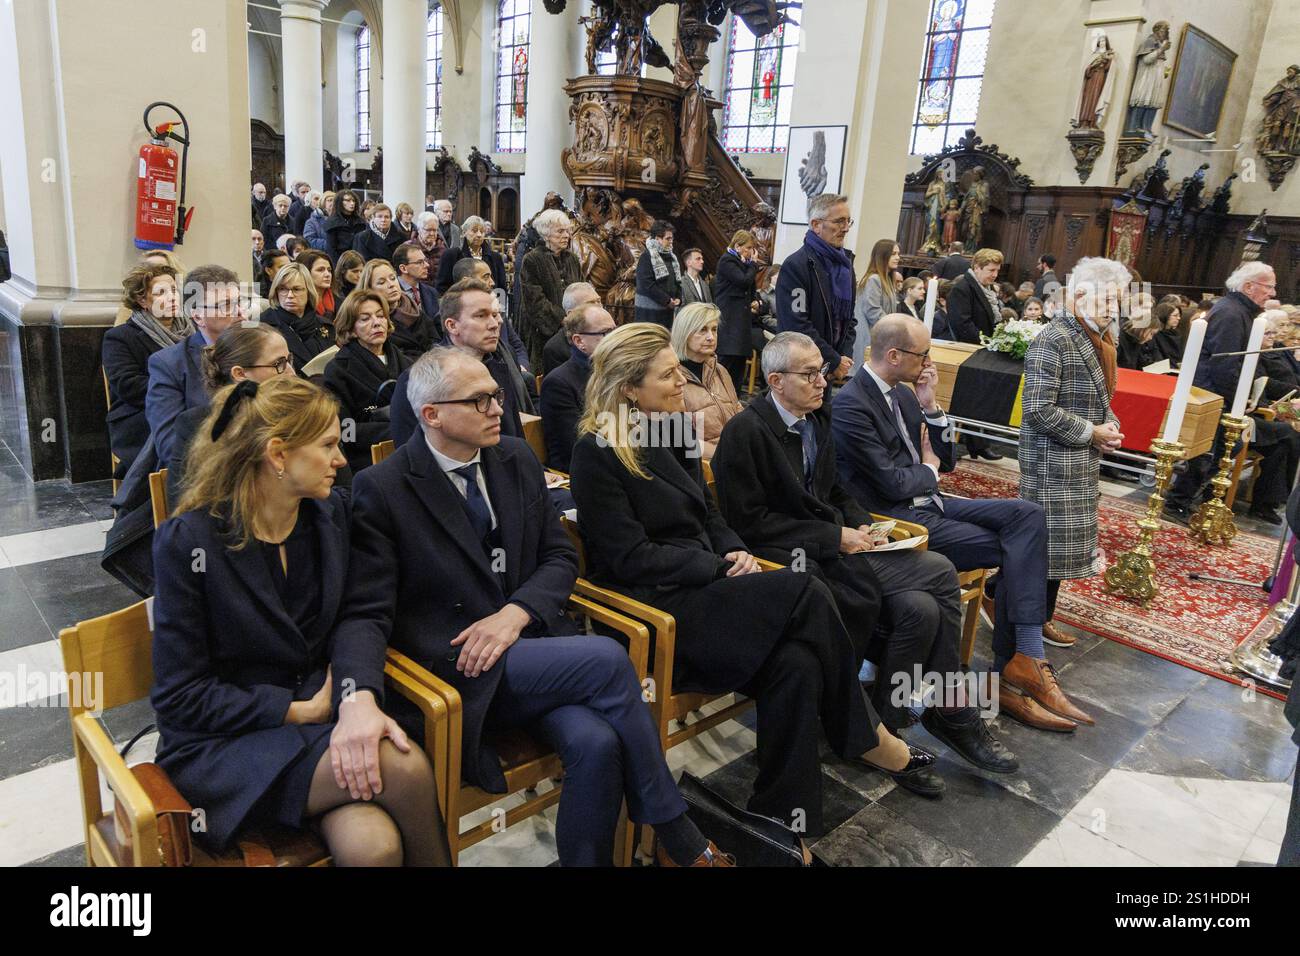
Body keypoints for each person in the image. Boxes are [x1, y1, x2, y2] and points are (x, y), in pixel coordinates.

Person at [332, 346, 729, 866]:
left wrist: (516, 612)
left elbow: (560, 556)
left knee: (596, 742)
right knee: (609, 660)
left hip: (532, 647)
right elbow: (366, 609)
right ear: (432, 415)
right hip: (460, 669)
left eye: (497, 395)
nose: (499, 408)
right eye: (479, 401)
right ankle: (674, 829)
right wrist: (356, 694)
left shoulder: (514, 459)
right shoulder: (382, 488)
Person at [568, 324, 937, 831]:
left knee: (799, 662)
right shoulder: (597, 450)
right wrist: (716, 564)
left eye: (679, 370)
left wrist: (733, 549)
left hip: (711, 591)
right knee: (807, 586)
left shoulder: (670, 428)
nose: (682, 381)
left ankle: (782, 822)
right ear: (629, 388)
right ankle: (864, 733)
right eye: (668, 375)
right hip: (658, 609)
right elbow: (631, 557)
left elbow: (709, 515)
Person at [152, 375, 449, 866]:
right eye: (329, 445)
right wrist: (296, 711)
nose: (340, 459)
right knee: (402, 765)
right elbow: (179, 697)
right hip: (226, 749)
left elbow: (359, 616)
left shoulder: (327, 516)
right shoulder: (190, 543)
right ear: (277, 455)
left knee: (374, 848)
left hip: (316, 735)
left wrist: (356, 698)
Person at [712, 331, 1018, 774]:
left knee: (921, 611)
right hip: (793, 558)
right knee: (937, 571)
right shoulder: (748, 431)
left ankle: (883, 727)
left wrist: (863, 524)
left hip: (833, 547)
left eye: (822, 371)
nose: (823, 381)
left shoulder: (816, 418)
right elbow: (749, 523)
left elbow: (835, 488)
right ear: (775, 381)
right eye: (810, 374)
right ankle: (952, 709)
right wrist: (834, 538)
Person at [831, 315, 1090, 732]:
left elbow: (948, 460)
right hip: (896, 516)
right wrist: (929, 470)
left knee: (1028, 516)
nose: (929, 361)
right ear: (893, 355)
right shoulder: (850, 404)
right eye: (923, 354)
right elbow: (891, 481)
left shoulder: (906, 394)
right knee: (1017, 549)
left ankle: (1024, 660)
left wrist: (933, 407)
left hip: (929, 501)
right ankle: (1017, 666)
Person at [1020, 257, 1129, 653]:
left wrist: (1108, 424)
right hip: (1051, 461)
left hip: (1076, 460)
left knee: (1055, 553)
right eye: (1108, 302)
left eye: (1117, 303)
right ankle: (1025, 620)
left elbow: (1098, 399)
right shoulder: (1054, 338)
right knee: (1044, 551)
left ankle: (1035, 614)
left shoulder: (1095, 337)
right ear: (1080, 294)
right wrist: (1091, 432)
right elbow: (1036, 409)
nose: (1115, 311)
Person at [1165, 262, 1280, 522]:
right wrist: (1237, 399)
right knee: (1207, 452)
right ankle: (1177, 502)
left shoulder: (1241, 311)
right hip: (1212, 394)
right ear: (1249, 286)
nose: (1272, 293)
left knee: (1227, 447)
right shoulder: (1231, 313)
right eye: (1269, 286)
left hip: (1220, 393)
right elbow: (1224, 363)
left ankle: (1188, 498)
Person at [390, 279, 535, 448]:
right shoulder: (415, 381)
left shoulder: (498, 366)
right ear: (452, 326)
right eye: (481, 316)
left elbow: (515, 439)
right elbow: (413, 458)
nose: (494, 324)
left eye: (495, 315)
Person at [165, 324, 297, 503]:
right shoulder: (196, 424)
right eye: (279, 364)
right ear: (240, 374)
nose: (291, 373)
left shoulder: (302, 413)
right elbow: (184, 503)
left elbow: (337, 490)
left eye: (289, 360)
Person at [146, 264, 246, 466]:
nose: (241, 313)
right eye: (226, 305)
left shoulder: (259, 348)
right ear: (198, 315)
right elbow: (171, 446)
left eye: (240, 302)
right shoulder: (169, 364)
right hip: (208, 475)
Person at [103, 263, 191, 479]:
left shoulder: (193, 329)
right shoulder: (120, 337)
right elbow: (128, 386)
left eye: (173, 290)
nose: (172, 297)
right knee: (187, 431)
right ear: (142, 300)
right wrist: (178, 390)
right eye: (161, 292)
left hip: (188, 406)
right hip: (139, 415)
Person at [323, 290, 412, 473]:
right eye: (365, 319)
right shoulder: (338, 370)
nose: (377, 323)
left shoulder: (405, 361)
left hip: (412, 447)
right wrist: (398, 428)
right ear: (351, 329)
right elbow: (346, 431)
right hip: (367, 459)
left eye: (380, 316)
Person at [775, 193, 858, 386]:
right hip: (799, 369)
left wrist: (843, 358)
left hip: (829, 370)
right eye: (838, 221)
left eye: (848, 221)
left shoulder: (845, 266)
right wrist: (833, 360)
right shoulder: (797, 265)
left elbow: (849, 320)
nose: (845, 228)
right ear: (816, 225)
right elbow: (796, 325)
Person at [945, 248, 1006, 461]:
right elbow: (961, 322)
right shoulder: (963, 288)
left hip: (983, 352)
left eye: (997, 270)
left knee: (981, 400)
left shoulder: (987, 289)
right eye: (991, 270)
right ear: (977, 267)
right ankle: (970, 444)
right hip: (969, 351)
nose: (995, 275)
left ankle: (979, 444)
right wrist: (985, 341)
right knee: (970, 400)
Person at [539, 302, 613, 473]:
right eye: (606, 333)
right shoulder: (558, 383)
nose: (614, 338)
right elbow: (578, 445)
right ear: (579, 341)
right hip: (580, 471)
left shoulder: (614, 371)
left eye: (615, 330)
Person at [672, 303, 743, 459]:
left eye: (714, 330)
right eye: (703, 330)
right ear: (684, 333)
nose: (711, 337)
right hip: (704, 466)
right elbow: (681, 442)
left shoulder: (720, 371)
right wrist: (728, 456)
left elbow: (738, 413)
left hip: (735, 456)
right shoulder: (672, 378)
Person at [519, 209, 583, 371]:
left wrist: (579, 318)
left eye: (568, 231)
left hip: (575, 329)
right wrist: (563, 319)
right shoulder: (532, 259)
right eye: (560, 231)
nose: (567, 235)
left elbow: (582, 290)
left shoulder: (572, 259)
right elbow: (535, 301)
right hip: (544, 334)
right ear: (546, 234)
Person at [451, 256, 532, 379]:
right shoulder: (451, 314)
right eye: (486, 277)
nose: (493, 282)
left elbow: (517, 345)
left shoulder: (495, 307)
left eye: (494, 315)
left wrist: (521, 366)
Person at [713, 230, 766, 387]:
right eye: (748, 248)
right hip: (730, 322)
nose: (751, 252)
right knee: (726, 363)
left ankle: (734, 399)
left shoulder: (743, 263)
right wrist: (753, 265)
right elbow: (743, 281)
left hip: (741, 323)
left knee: (738, 367)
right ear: (737, 246)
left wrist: (755, 301)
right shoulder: (727, 261)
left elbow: (750, 287)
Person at [358, 256, 437, 362]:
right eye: (381, 282)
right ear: (369, 289)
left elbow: (435, 339)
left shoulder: (412, 307)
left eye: (392, 278)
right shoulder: (375, 323)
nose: (391, 285)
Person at [261, 262, 334, 371]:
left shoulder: (324, 325)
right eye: (283, 289)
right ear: (276, 292)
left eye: (297, 289)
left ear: (308, 292)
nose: (290, 296)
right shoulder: (264, 326)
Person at [854, 239, 900, 368]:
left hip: (880, 333)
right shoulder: (874, 279)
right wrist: (894, 327)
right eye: (894, 254)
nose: (898, 257)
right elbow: (872, 311)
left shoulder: (887, 280)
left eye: (898, 254)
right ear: (883, 256)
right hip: (868, 335)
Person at [435, 215, 508, 297]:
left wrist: (499, 307)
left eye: (482, 231)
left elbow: (501, 289)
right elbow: (441, 287)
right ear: (464, 232)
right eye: (474, 231)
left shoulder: (495, 257)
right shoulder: (451, 255)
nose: (479, 235)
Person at [542, 282, 602, 376]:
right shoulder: (555, 349)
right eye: (590, 304)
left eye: (599, 301)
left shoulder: (608, 334)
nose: (598, 307)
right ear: (571, 314)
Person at [634, 220, 682, 327]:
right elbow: (647, 284)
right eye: (667, 238)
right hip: (649, 314)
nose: (671, 241)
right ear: (657, 239)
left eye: (672, 238)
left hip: (666, 312)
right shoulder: (646, 257)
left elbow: (677, 281)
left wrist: (678, 297)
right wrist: (667, 300)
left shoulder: (671, 257)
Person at [392, 241, 439, 321]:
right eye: (420, 262)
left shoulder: (432, 292)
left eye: (425, 260)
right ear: (403, 268)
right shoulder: (392, 294)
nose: (427, 265)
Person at [324, 189, 368, 263]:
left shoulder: (361, 222)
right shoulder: (333, 222)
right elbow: (331, 249)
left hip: (359, 259)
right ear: (340, 202)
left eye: (353, 201)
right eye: (348, 200)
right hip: (340, 260)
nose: (352, 203)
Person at [297, 249, 336, 321]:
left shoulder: (339, 300)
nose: (328, 274)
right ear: (306, 272)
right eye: (320, 270)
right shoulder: (298, 304)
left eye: (329, 270)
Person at [411, 210, 450, 278]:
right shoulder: (409, 248)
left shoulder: (443, 248)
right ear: (419, 229)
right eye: (428, 230)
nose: (432, 233)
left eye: (434, 230)